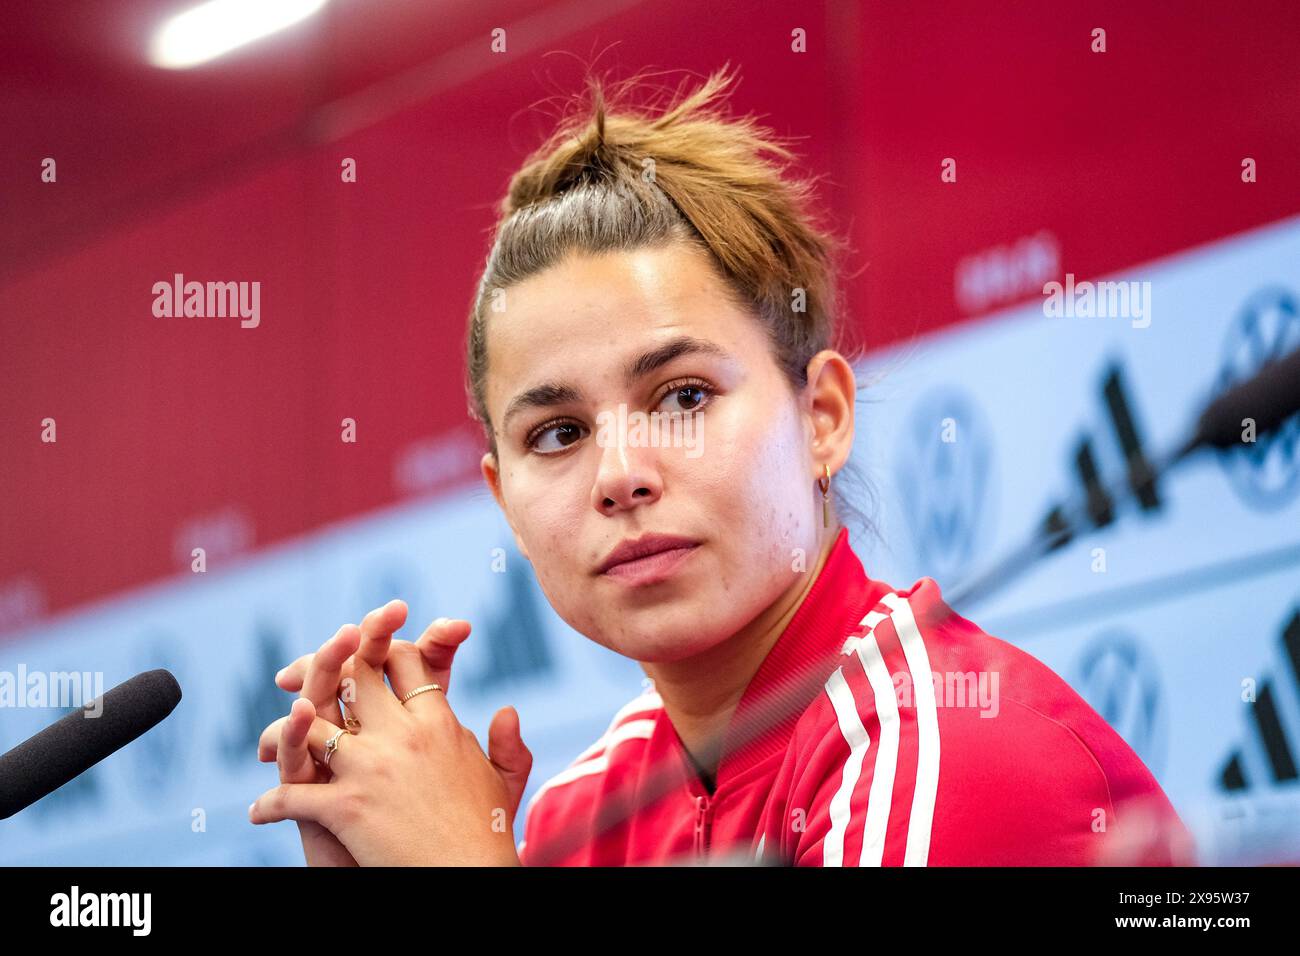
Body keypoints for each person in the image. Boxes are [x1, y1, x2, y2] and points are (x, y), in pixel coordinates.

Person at [250, 66, 1194, 866]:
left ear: (820, 417)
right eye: (557, 434)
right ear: (503, 498)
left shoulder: (951, 748)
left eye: (684, 397)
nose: (620, 474)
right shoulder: (584, 818)